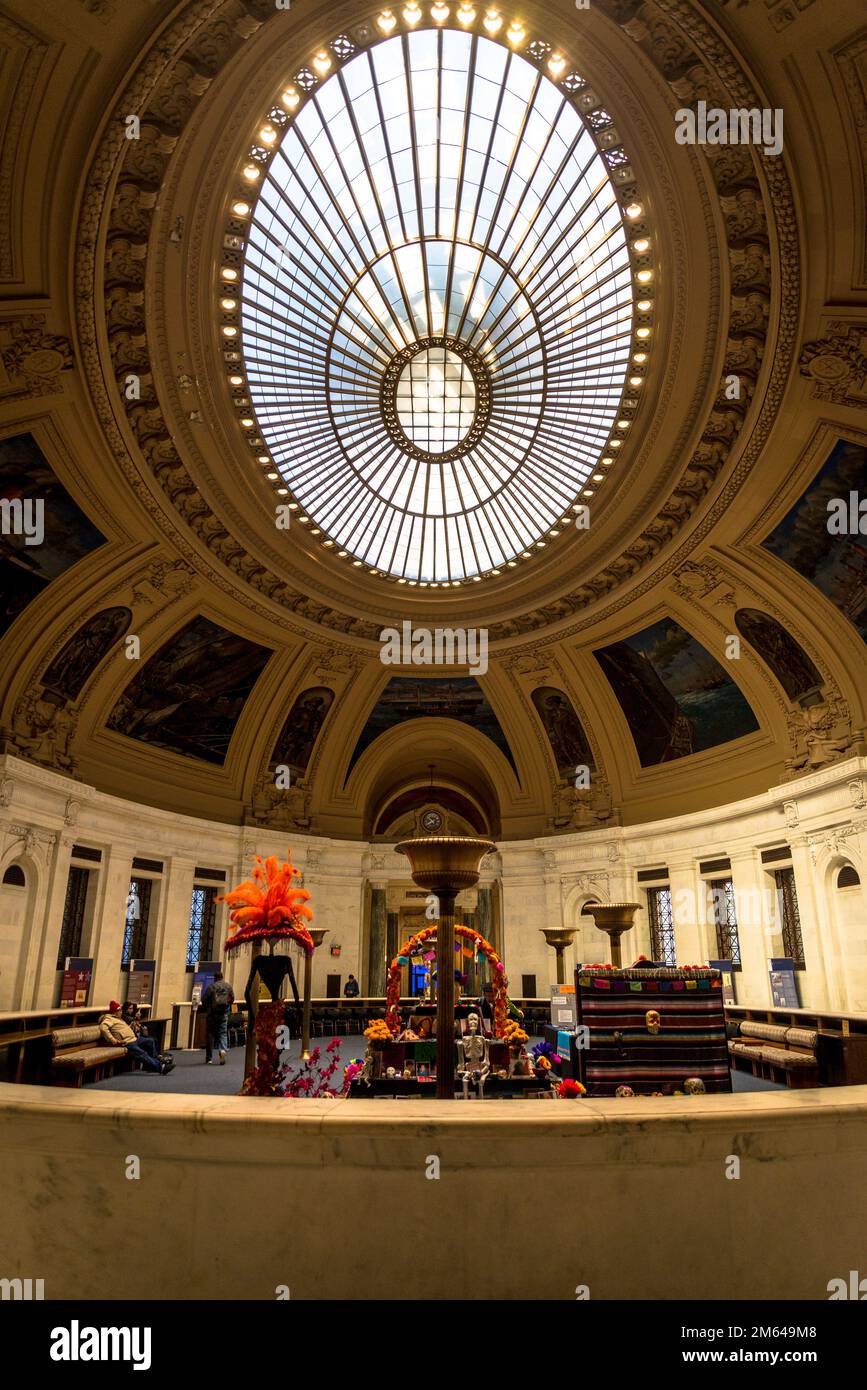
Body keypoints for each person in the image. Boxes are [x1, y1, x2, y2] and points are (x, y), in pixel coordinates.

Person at [99, 1001, 173, 1074]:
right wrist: (112, 1039)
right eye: (120, 1010)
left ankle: (149, 1066)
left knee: (150, 1041)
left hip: (134, 1039)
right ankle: (161, 1068)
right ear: (115, 1012)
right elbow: (103, 1028)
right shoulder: (109, 1019)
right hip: (127, 1042)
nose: (121, 1012)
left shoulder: (118, 1018)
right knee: (142, 1053)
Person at [201, 970, 234, 1065]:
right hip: (223, 1014)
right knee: (223, 1033)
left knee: (210, 1035)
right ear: (222, 977)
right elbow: (232, 999)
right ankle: (223, 1050)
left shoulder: (211, 987)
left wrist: (208, 1009)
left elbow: (204, 1000)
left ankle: (209, 1058)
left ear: (214, 978)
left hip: (212, 1015)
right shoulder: (228, 986)